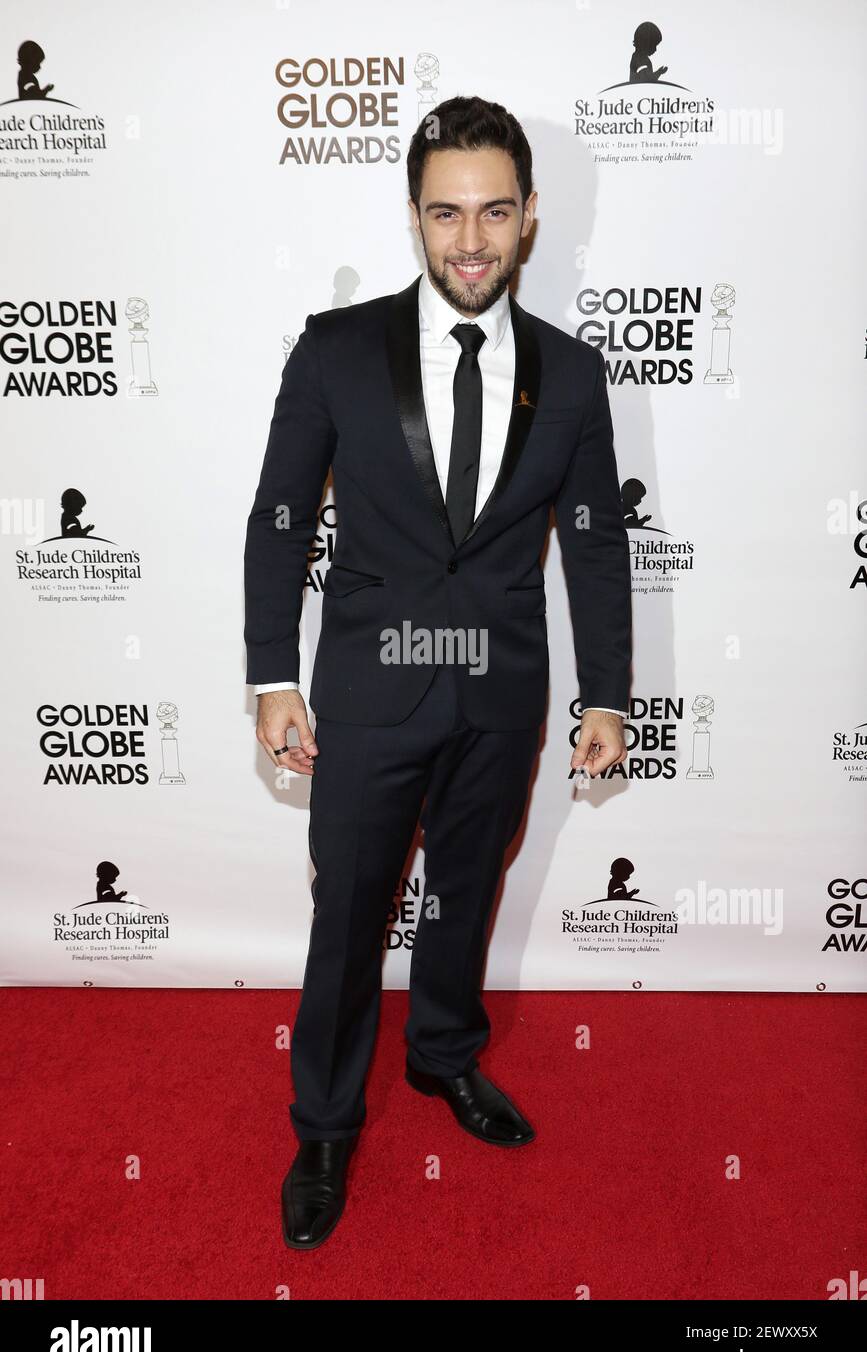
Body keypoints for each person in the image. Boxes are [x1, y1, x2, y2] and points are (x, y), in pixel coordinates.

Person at [243, 95, 632, 1250]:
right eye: (447, 212)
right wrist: (273, 675)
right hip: (368, 690)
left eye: (495, 212)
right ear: (414, 217)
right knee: (349, 911)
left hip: (499, 695)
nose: (472, 239)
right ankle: (323, 1123)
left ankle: (444, 1057)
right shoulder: (335, 349)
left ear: (528, 219)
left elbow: (599, 536)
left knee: (466, 891)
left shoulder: (572, 372)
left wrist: (604, 692)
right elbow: (276, 521)